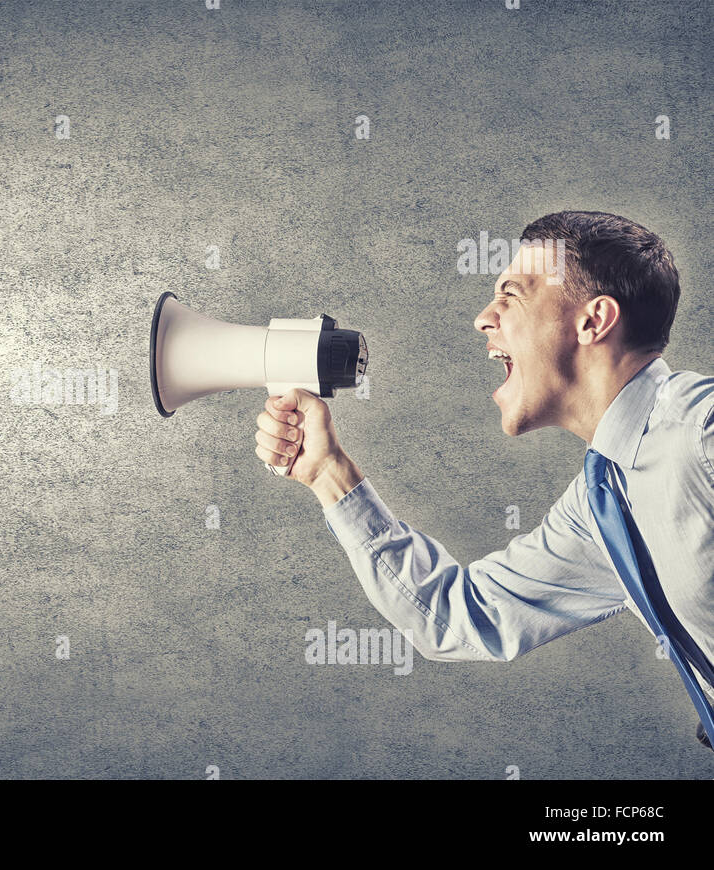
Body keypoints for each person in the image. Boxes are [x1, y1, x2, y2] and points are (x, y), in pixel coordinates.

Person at [256, 210, 714, 752]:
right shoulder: (603, 506)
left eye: (511, 295)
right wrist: (329, 474)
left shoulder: (701, 429)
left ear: (594, 321)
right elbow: (458, 615)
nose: (483, 318)